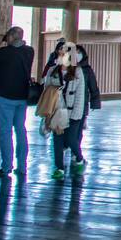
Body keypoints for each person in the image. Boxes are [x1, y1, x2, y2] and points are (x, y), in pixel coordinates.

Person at [0, 26, 36, 178]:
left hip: (6, 97)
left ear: (11, 37)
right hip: (22, 97)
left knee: (5, 132)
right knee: (20, 130)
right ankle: (23, 166)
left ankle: (6, 167)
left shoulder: (5, 53)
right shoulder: (29, 51)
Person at [45, 42, 100, 180]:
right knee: (57, 140)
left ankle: (79, 158)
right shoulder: (52, 71)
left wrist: (77, 115)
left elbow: (80, 95)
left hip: (73, 112)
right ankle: (59, 168)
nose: (61, 56)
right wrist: (47, 114)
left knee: (71, 138)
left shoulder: (78, 71)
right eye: (60, 53)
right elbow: (46, 92)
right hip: (57, 111)